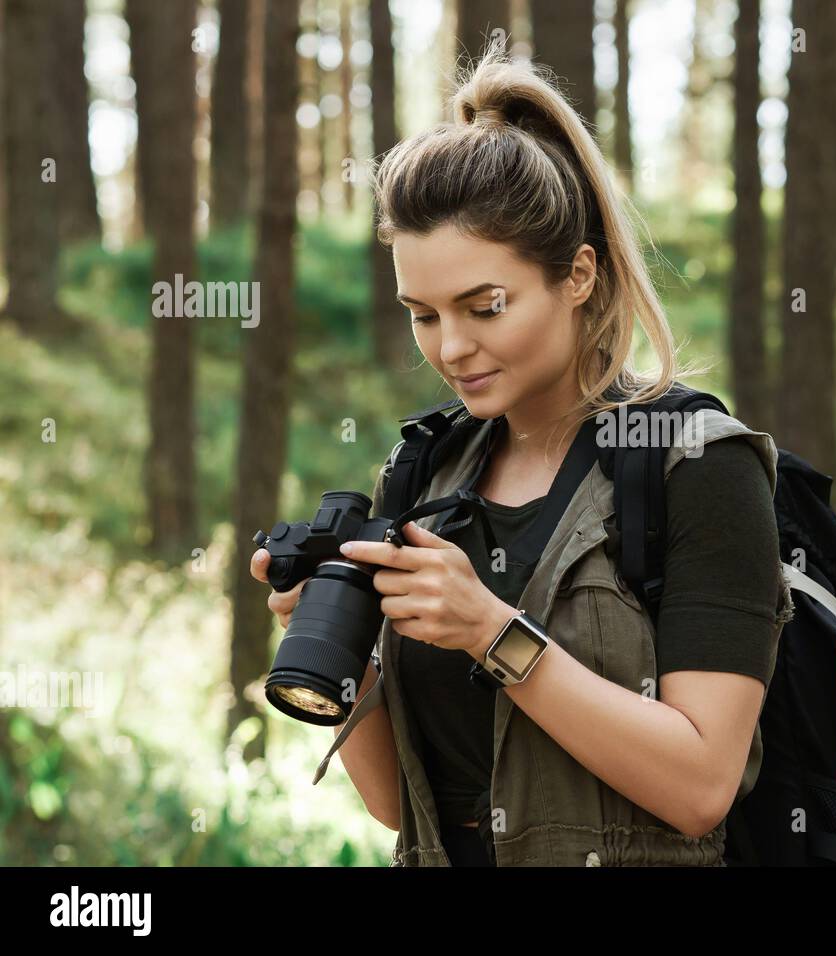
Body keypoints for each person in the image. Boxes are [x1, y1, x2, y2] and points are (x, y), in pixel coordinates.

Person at [250, 43, 791, 866]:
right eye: (423, 314)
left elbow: (699, 788)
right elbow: (404, 807)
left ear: (577, 275)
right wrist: (333, 645)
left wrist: (491, 632)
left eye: (485, 305)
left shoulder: (696, 466)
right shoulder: (426, 471)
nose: (453, 347)